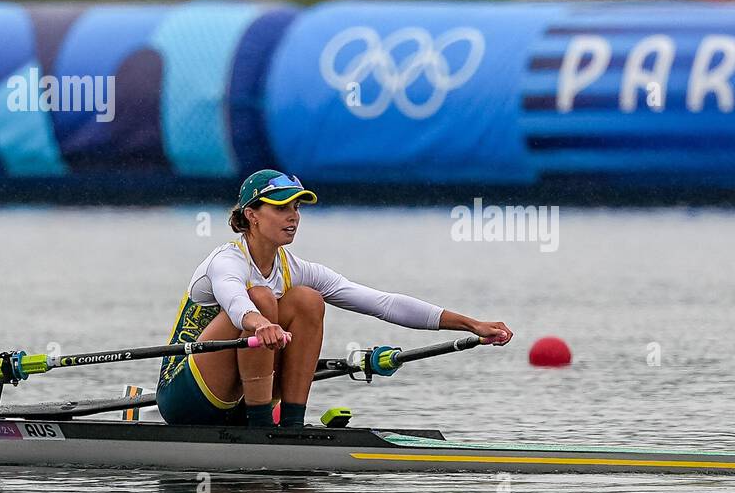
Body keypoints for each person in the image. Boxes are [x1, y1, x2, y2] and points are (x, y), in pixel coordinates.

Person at [157, 169, 512, 429]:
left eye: (296, 207)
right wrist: (262, 324)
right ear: (251, 214)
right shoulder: (226, 260)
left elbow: (382, 303)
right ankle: (261, 426)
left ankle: (291, 423)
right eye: (281, 208)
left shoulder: (293, 268)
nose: (293, 216)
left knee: (309, 300)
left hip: (240, 395)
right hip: (186, 393)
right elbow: (237, 302)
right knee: (262, 299)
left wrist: (471, 324)